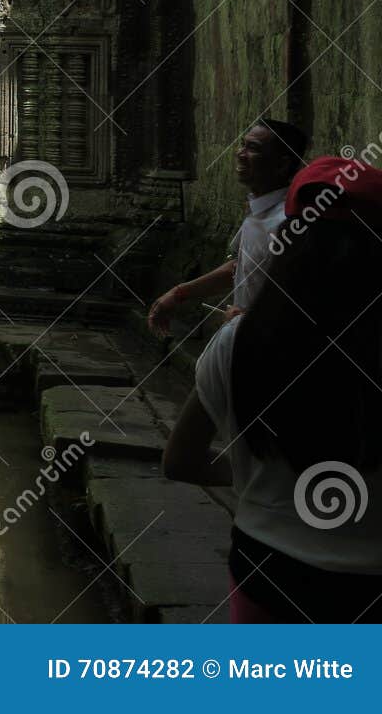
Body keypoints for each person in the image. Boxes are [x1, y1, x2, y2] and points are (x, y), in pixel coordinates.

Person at [164, 156, 382, 622]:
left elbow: (180, 461)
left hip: (268, 568)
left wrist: (252, 476)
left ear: (285, 243)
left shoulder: (239, 342)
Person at [148, 117, 307, 334]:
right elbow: (240, 267)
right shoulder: (259, 210)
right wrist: (179, 293)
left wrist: (256, 317)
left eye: (253, 148)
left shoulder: (288, 221)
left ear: (281, 164)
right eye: (243, 144)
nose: (240, 154)